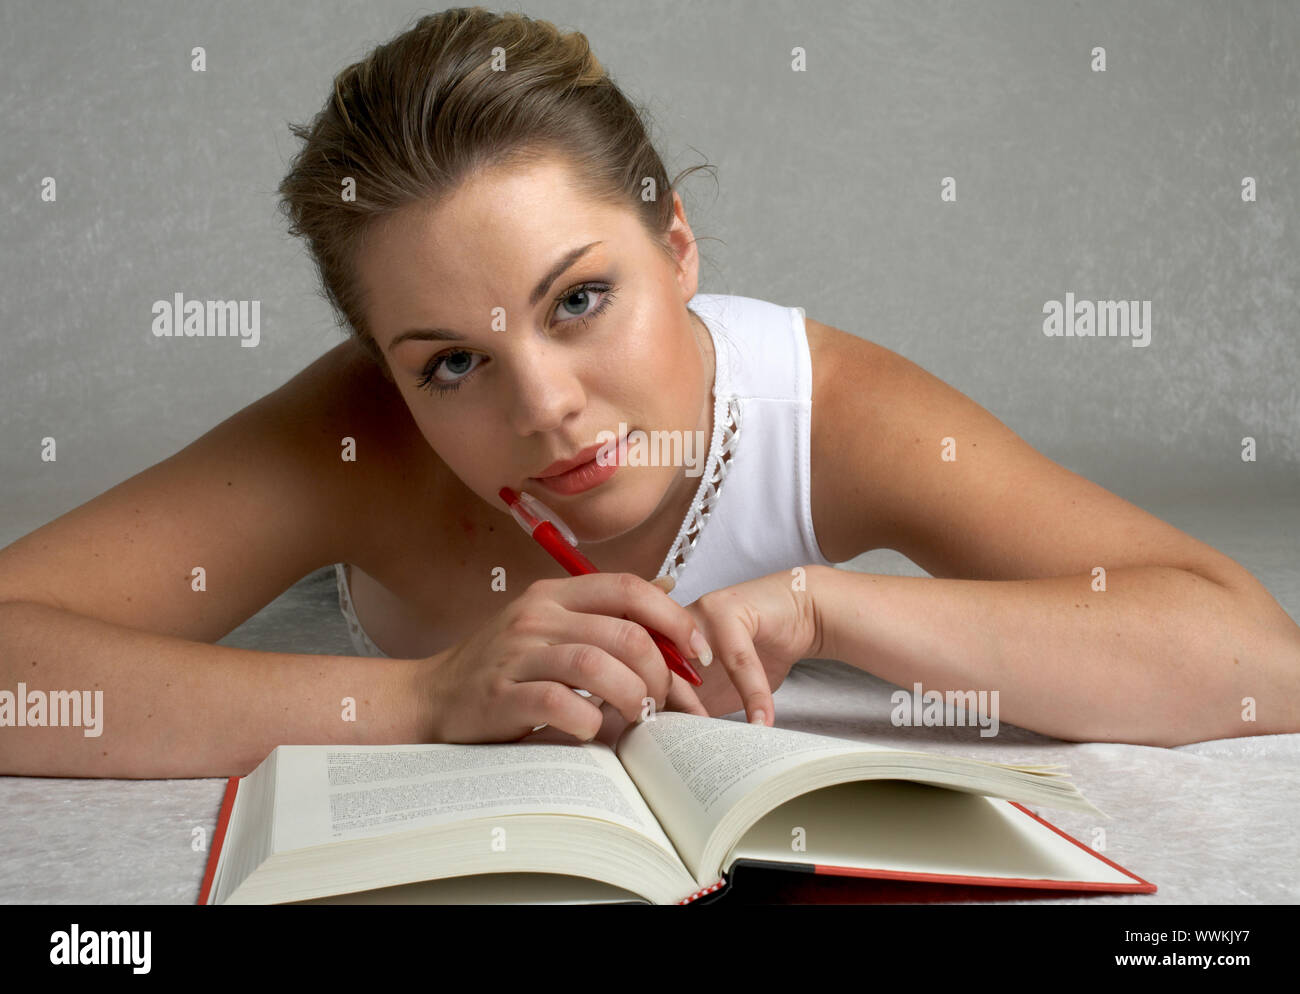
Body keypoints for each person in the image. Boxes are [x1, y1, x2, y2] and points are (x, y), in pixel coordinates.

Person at [2, 8, 1296, 780]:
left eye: (579, 299)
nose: (548, 407)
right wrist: (423, 697)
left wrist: (835, 606)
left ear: (677, 244)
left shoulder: (826, 409)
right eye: (451, 361)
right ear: (385, 367)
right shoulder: (354, 431)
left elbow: (1252, 660)